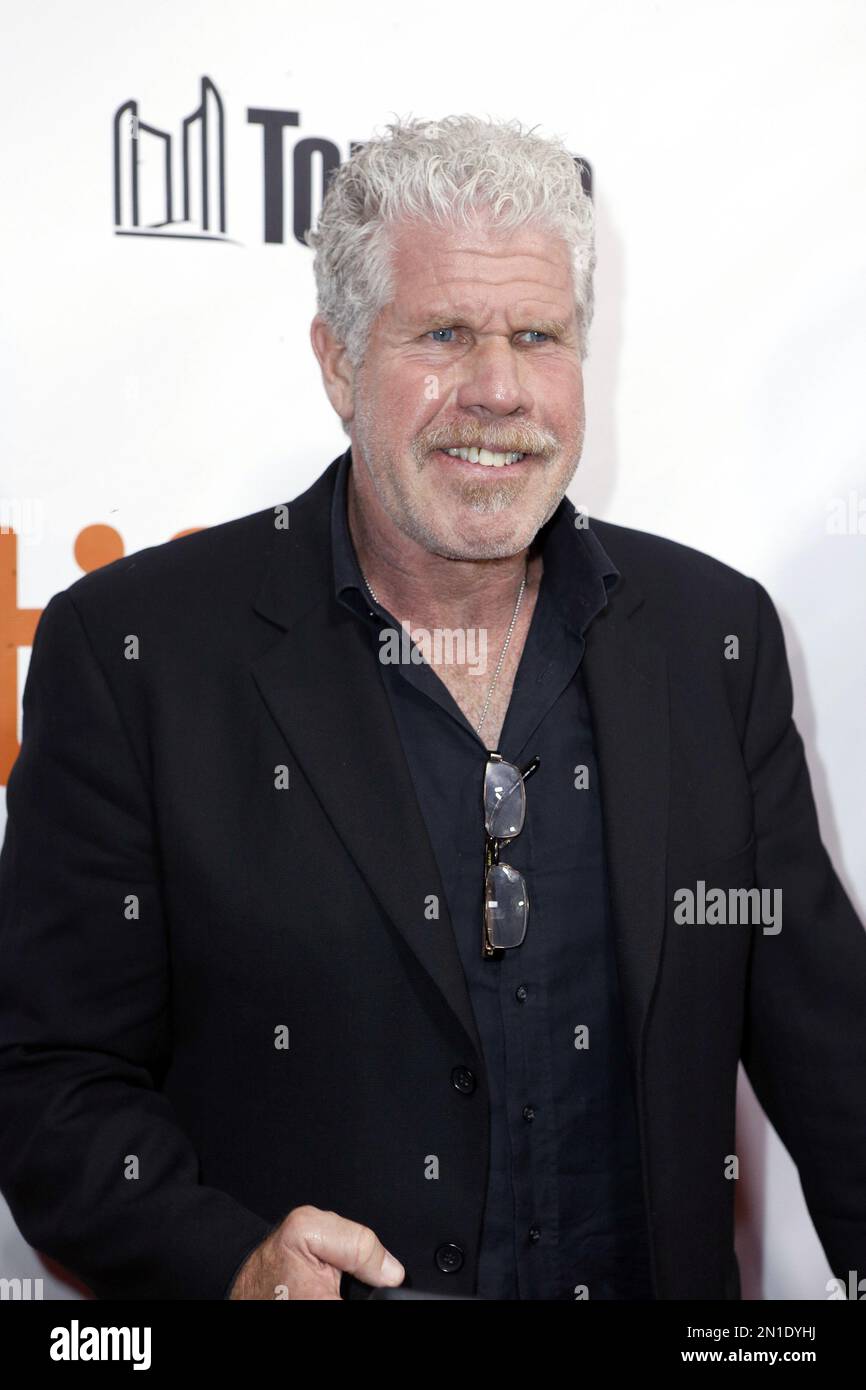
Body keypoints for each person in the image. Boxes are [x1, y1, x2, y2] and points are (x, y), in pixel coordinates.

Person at [1, 114, 864, 1302]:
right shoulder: (136, 654)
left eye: (537, 335)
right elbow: (50, 1079)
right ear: (337, 359)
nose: (498, 389)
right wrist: (230, 1263)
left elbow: (830, 1051)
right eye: (444, 333)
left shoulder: (711, 637)